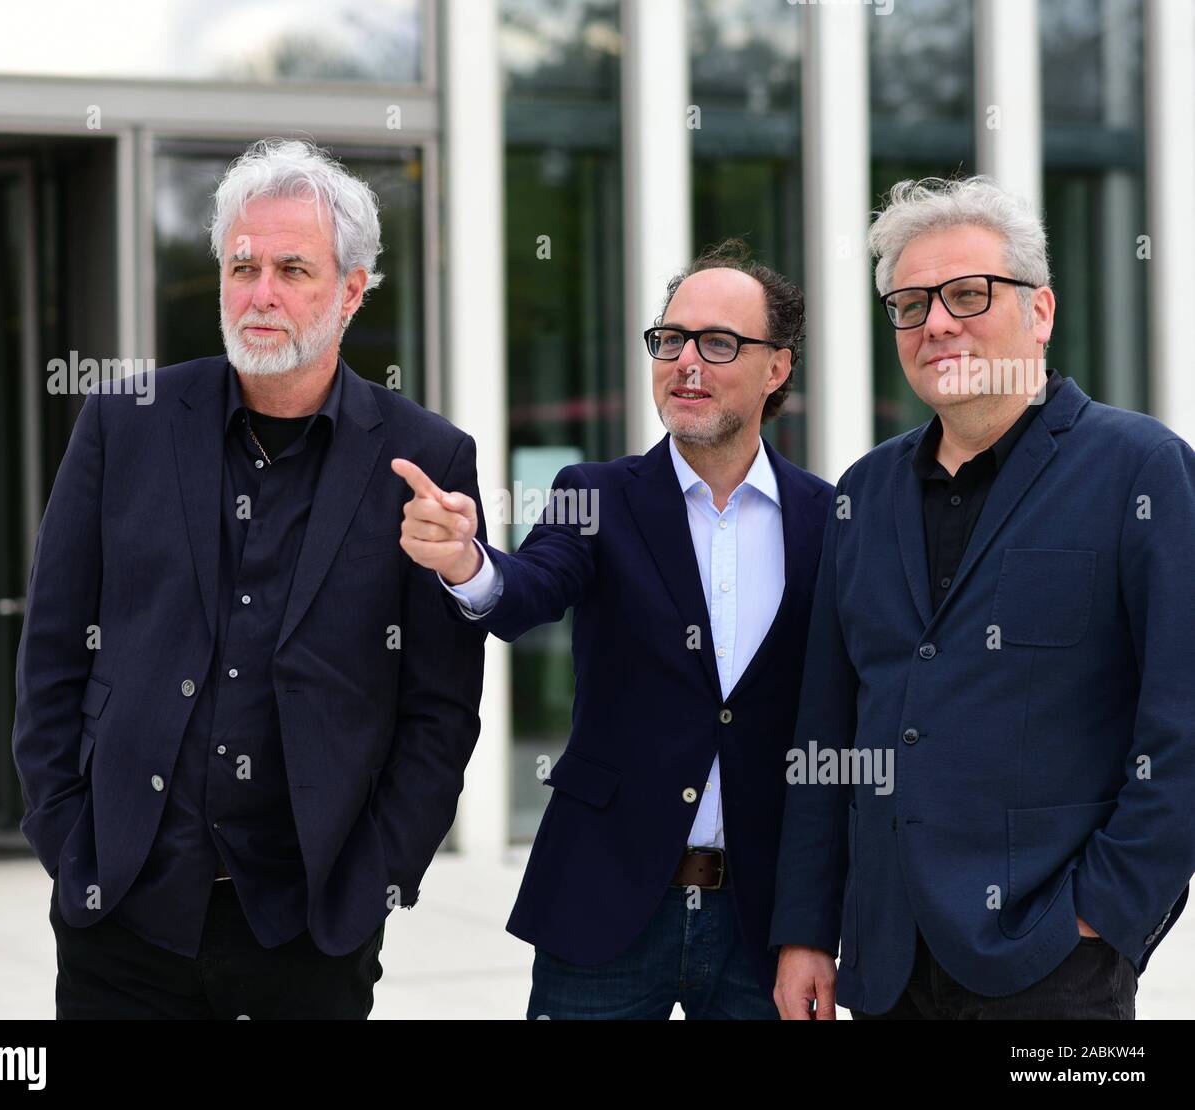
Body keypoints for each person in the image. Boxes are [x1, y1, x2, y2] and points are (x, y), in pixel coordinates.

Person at [12, 138, 487, 1019]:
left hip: (307, 935)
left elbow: (441, 708)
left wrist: (376, 880)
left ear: (351, 291)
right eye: (243, 266)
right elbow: (51, 653)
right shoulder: (126, 426)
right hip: (121, 917)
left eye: (292, 269)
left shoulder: (426, 458)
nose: (260, 292)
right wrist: (66, 836)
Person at [771, 175, 1195, 1020]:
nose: (936, 323)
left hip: (1054, 964)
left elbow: (1183, 721)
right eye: (909, 303)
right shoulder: (861, 492)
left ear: (1039, 313)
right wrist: (808, 929)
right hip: (887, 963)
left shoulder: (1141, 468)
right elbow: (828, 727)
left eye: (968, 294)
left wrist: (1104, 913)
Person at [395, 239, 832, 1019]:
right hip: (605, 904)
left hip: (763, 925)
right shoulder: (592, 492)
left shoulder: (828, 518)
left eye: (718, 343)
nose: (685, 362)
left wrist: (818, 926)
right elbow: (526, 592)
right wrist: (466, 560)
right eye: (670, 340)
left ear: (778, 368)